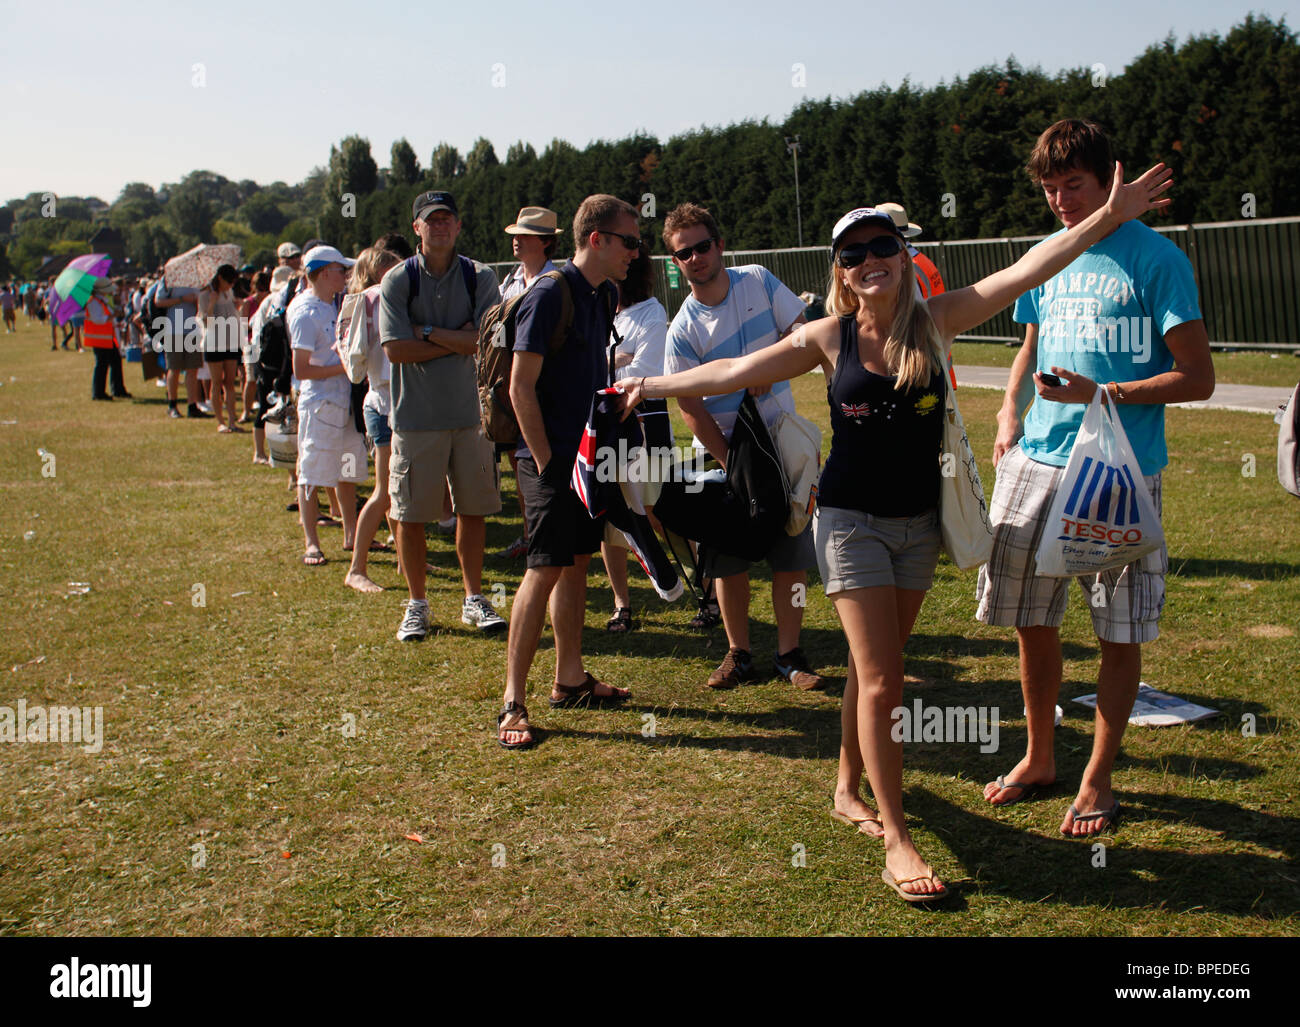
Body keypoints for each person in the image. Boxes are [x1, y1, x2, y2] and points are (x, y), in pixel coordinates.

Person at [617, 162, 1173, 901]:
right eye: (852, 254)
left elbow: (1030, 266)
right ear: (840, 273)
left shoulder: (935, 320)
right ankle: (899, 839)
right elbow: (734, 369)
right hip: (848, 524)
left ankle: (847, 785)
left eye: (882, 247)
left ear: (901, 256)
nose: (869, 261)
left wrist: (1105, 217)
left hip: (918, 529)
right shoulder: (826, 335)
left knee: (871, 667)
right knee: (882, 680)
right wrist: (650, 385)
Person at [977, 120, 1214, 837]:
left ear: (1107, 178)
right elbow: (1029, 345)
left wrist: (1103, 394)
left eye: (1073, 186)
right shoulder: (1048, 256)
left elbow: (1198, 378)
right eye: (1049, 189)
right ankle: (1040, 756)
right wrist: (1007, 412)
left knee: (1118, 630)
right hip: (1035, 465)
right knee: (1029, 618)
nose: (1060, 202)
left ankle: (1098, 777)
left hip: (1118, 474)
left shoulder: (1158, 259)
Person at [495, 194, 642, 750]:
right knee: (545, 566)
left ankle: (570, 678)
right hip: (549, 459)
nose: (636, 251)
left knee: (576, 561)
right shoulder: (547, 295)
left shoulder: (604, 293)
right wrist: (548, 462)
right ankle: (513, 700)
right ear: (597, 240)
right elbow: (519, 386)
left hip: (584, 455)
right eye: (629, 241)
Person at [661, 203, 824, 692]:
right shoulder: (682, 329)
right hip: (726, 458)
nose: (695, 257)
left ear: (720, 245)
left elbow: (802, 335)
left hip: (781, 449)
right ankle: (739, 653)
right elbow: (689, 405)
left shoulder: (758, 279)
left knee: (789, 557)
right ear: (675, 262)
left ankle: (790, 655)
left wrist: (766, 369)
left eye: (701, 246)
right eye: (682, 252)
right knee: (729, 562)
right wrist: (730, 462)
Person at [378, 190, 505, 640]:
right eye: (431, 220)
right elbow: (395, 350)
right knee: (410, 516)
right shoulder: (397, 280)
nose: (440, 226)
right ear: (417, 228)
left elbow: (485, 342)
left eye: (447, 218)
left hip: (472, 416)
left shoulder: (480, 276)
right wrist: (458, 337)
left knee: (474, 511)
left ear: (459, 224)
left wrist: (427, 332)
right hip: (414, 418)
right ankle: (417, 604)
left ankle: (473, 599)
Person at [602, 245, 670, 632]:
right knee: (611, 517)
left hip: (647, 423)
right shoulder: (594, 312)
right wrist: (616, 362)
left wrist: (611, 365)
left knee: (662, 511)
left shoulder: (651, 312)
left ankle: (705, 592)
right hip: (604, 427)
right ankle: (621, 604)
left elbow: (644, 372)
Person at [288, 245, 368, 565]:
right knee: (312, 472)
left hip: (341, 401)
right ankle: (312, 543)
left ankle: (352, 535)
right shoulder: (305, 311)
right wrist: (346, 367)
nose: (345, 275)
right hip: (320, 404)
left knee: (346, 470)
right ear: (322, 273)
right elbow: (301, 369)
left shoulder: (329, 305)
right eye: (339, 270)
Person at [497, 206, 563, 560]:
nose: (517, 241)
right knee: (518, 465)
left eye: (525, 235)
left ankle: (546, 535)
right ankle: (529, 532)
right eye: (515, 235)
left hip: (541, 390)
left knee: (542, 465)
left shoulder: (556, 284)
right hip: (511, 386)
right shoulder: (509, 282)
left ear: (546, 242)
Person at [342, 246, 403, 593]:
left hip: (383, 400)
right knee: (384, 492)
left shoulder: (363, 300)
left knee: (396, 490)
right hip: (385, 403)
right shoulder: (380, 298)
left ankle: (403, 557)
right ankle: (357, 568)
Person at [151, 273, 208, 419]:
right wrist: (183, 299)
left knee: (192, 369)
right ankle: (172, 405)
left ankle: (192, 405)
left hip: (193, 329)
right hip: (173, 329)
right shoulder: (169, 278)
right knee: (174, 368)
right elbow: (158, 301)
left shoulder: (197, 279)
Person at [197, 264, 243, 432]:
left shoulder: (228, 293)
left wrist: (236, 307)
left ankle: (232, 421)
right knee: (216, 382)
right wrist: (212, 303)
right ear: (220, 279)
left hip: (231, 341)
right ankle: (221, 422)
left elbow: (233, 315)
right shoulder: (205, 295)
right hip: (213, 342)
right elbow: (205, 321)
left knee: (230, 382)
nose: (231, 286)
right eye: (229, 282)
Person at [83, 279, 131, 400]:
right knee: (102, 365)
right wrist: (113, 316)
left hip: (108, 337)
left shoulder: (101, 301)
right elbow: (98, 319)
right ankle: (99, 393)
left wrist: (114, 321)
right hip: (100, 339)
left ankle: (118, 389)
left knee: (115, 362)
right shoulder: (93, 302)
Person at [239, 271, 271, 423]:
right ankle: (246, 411)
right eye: (259, 287)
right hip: (252, 344)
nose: (262, 291)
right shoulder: (248, 303)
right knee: (250, 380)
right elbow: (244, 326)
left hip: (267, 345)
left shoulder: (272, 300)